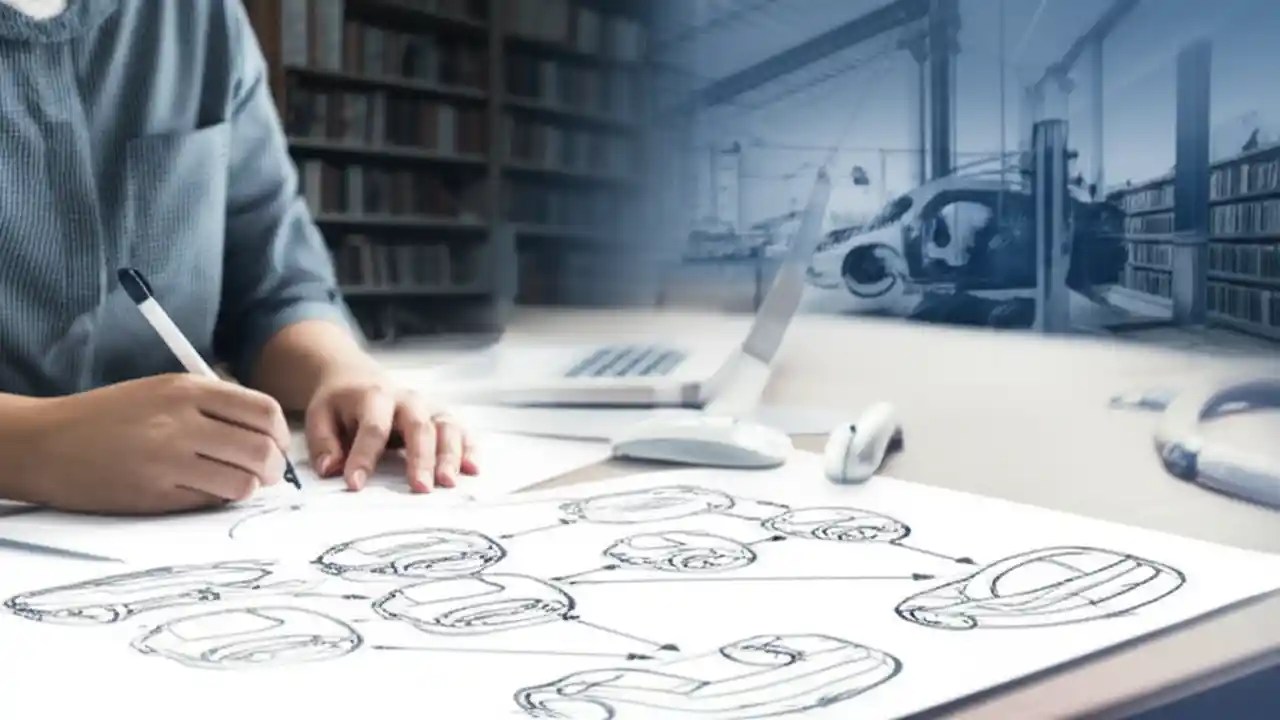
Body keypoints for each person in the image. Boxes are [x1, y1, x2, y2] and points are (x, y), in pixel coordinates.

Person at [0, 0, 476, 515]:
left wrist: (339, 372)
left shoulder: (198, 15)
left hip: (187, 518)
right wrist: (37, 446)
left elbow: (273, 286)